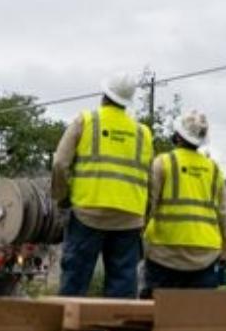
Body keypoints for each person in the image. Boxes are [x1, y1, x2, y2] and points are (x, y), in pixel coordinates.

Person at [51, 73, 153, 299]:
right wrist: (145, 213)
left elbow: (60, 163)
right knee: (123, 288)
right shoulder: (143, 133)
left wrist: (62, 198)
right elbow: (150, 179)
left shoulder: (85, 121)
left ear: (104, 95)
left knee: (75, 283)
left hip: (88, 214)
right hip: (129, 218)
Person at [141, 110, 226, 295]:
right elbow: (223, 214)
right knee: (199, 317)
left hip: (165, 253)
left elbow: (148, 205)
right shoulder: (214, 170)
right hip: (205, 254)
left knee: (158, 315)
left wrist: (139, 235)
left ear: (178, 135)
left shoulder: (163, 163)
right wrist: (220, 240)